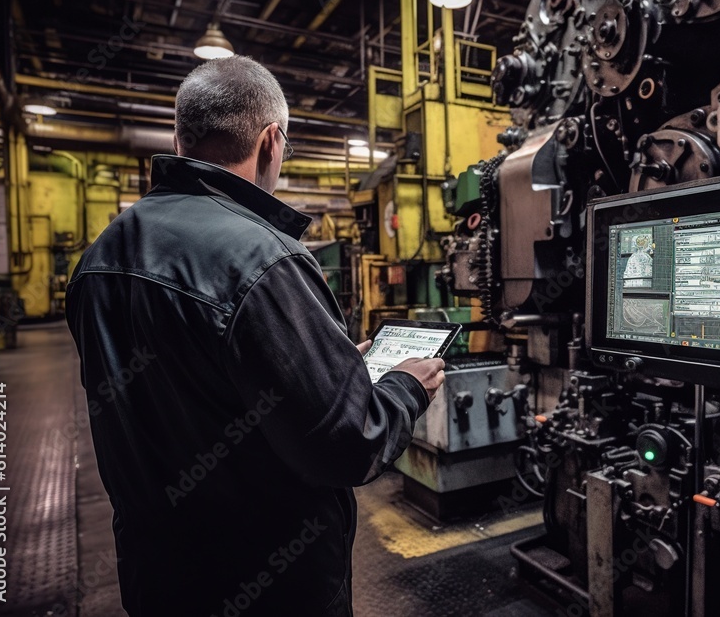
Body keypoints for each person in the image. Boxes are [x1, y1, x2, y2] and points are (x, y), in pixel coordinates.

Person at [65, 55, 445, 616]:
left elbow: (194, 385)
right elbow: (348, 444)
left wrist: (322, 370)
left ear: (179, 137)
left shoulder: (100, 256)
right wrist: (404, 387)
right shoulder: (264, 259)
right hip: (269, 586)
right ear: (271, 141)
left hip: (155, 581)